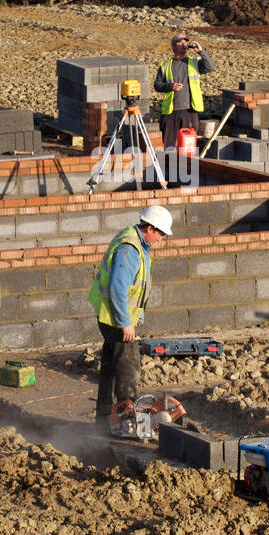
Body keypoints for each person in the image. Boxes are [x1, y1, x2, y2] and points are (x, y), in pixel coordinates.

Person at [87, 205, 172, 426]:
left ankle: (106, 421)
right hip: (116, 318)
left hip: (112, 315)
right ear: (150, 228)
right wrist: (125, 323)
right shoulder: (130, 249)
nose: (161, 239)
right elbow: (117, 288)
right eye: (161, 233)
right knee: (127, 368)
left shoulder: (134, 239)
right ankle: (125, 423)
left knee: (111, 368)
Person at [153, 33, 214, 151]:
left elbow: (210, 67)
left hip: (189, 111)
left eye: (185, 41)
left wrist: (201, 52)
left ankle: (188, 168)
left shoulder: (195, 62)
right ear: (173, 47)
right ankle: (168, 168)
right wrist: (170, 86)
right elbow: (157, 85)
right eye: (180, 42)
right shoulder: (165, 66)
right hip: (171, 112)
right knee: (168, 147)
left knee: (188, 147)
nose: (184, 44)